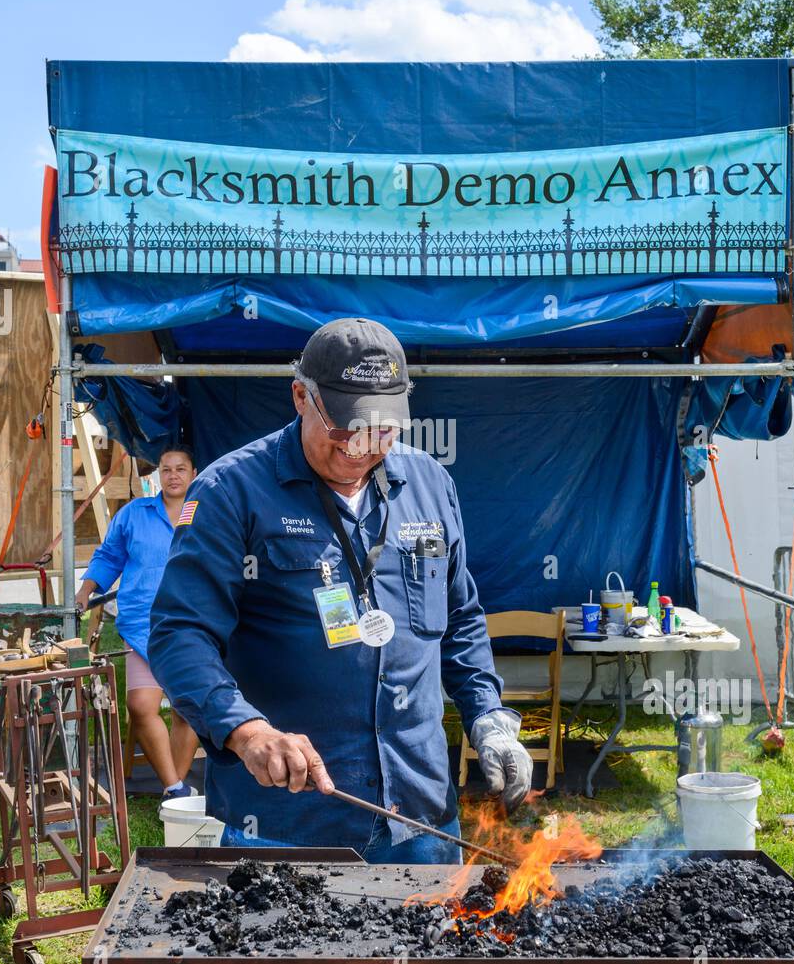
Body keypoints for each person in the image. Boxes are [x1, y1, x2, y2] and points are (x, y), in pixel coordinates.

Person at [148, 318, 531, 863]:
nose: (361, 446)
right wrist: (246, 730)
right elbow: (179, 632)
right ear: (301, 396)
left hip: (419, 816)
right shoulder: (230, 490)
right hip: (286, 825)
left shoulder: (429, 484)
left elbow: (460, 617)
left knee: (430, 951)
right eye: (347, 425)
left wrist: (488, 717)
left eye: (382, 430)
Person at [77, 444, 201, 800]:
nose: (173, 475)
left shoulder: (209, 512)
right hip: (143, 627)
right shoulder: (134, 514)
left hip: (194, 628)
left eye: (181, 469)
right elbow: (109, 556)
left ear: (193, 474)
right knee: (141, 707)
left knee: (187, 710)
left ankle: (175, 792)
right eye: (166, 469)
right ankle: (175, 787)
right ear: (157, 474)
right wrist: (86, 591)